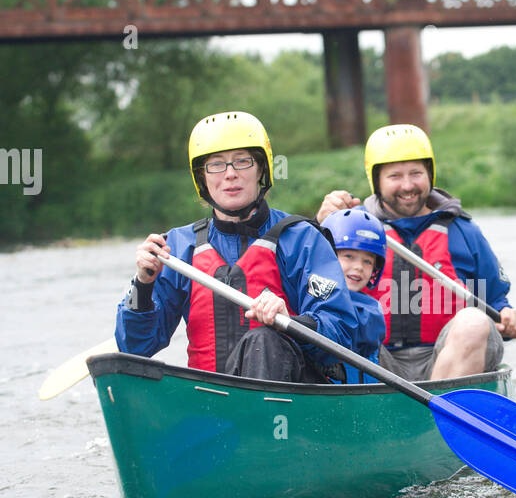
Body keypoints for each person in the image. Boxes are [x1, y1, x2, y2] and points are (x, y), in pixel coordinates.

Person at [116, 111, 358, 383]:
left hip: (290, 398)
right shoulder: (177, 249)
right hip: (209, 401)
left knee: (263, 340)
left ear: (261, 169)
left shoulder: (302, 239)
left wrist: (291, 322)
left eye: (242, 162)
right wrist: (142, 284)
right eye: (216, 165)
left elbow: (341, 331)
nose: (230, 174)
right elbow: (134, 347)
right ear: (202, 178)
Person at [315, 123, 516, 382]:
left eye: (416, 173)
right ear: (377, 181)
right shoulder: (348, 226)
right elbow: (313, 288)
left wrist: (507, 316)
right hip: (377, 363)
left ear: (430, 175)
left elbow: (495, 301)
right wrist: (321, 227)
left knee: (475, 321)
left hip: (451, 358)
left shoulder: (464, 231)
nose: (407, 186)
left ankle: (441, 412)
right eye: (395, 176)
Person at [321, 206, 387, 384]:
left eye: (367, 261)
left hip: (360, 398)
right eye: (349, 256)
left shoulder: (370, 309)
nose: (359, 266)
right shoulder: (310, 297)